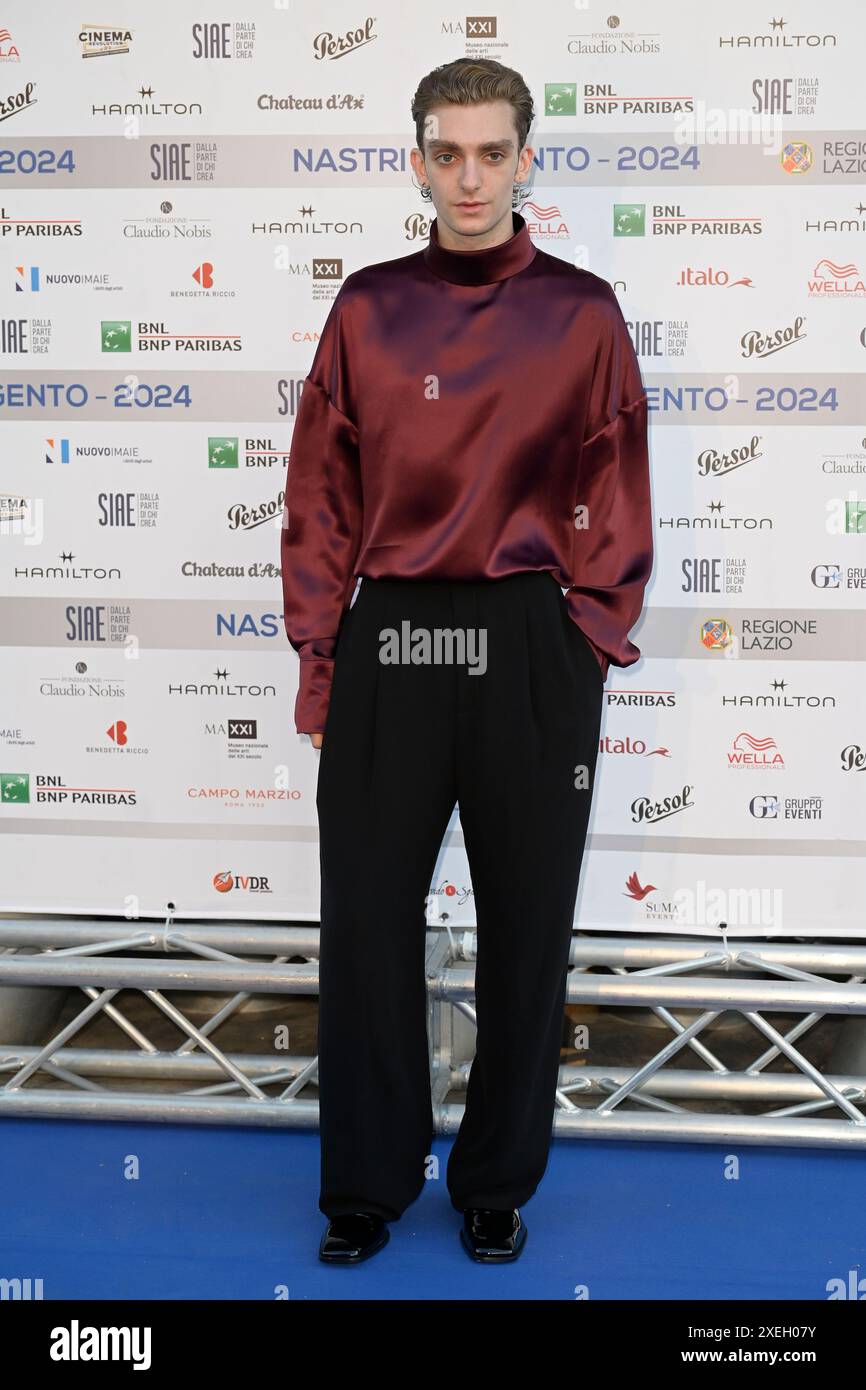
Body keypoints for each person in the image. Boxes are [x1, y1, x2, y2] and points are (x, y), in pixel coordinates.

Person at [280, 56, 653, 1265]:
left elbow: (615, 483)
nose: (470, 175)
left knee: (528, 926)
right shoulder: (369, 309)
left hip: (528, 647)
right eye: (447, 152)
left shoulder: (582, 312)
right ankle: (365, 1186)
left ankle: (494, 1180)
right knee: (367, 922)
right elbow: (319, 499)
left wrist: (582, 643)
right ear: (417, 159)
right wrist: (322, 657)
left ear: (526, 158)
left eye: (493, 152)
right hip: (389, 635)